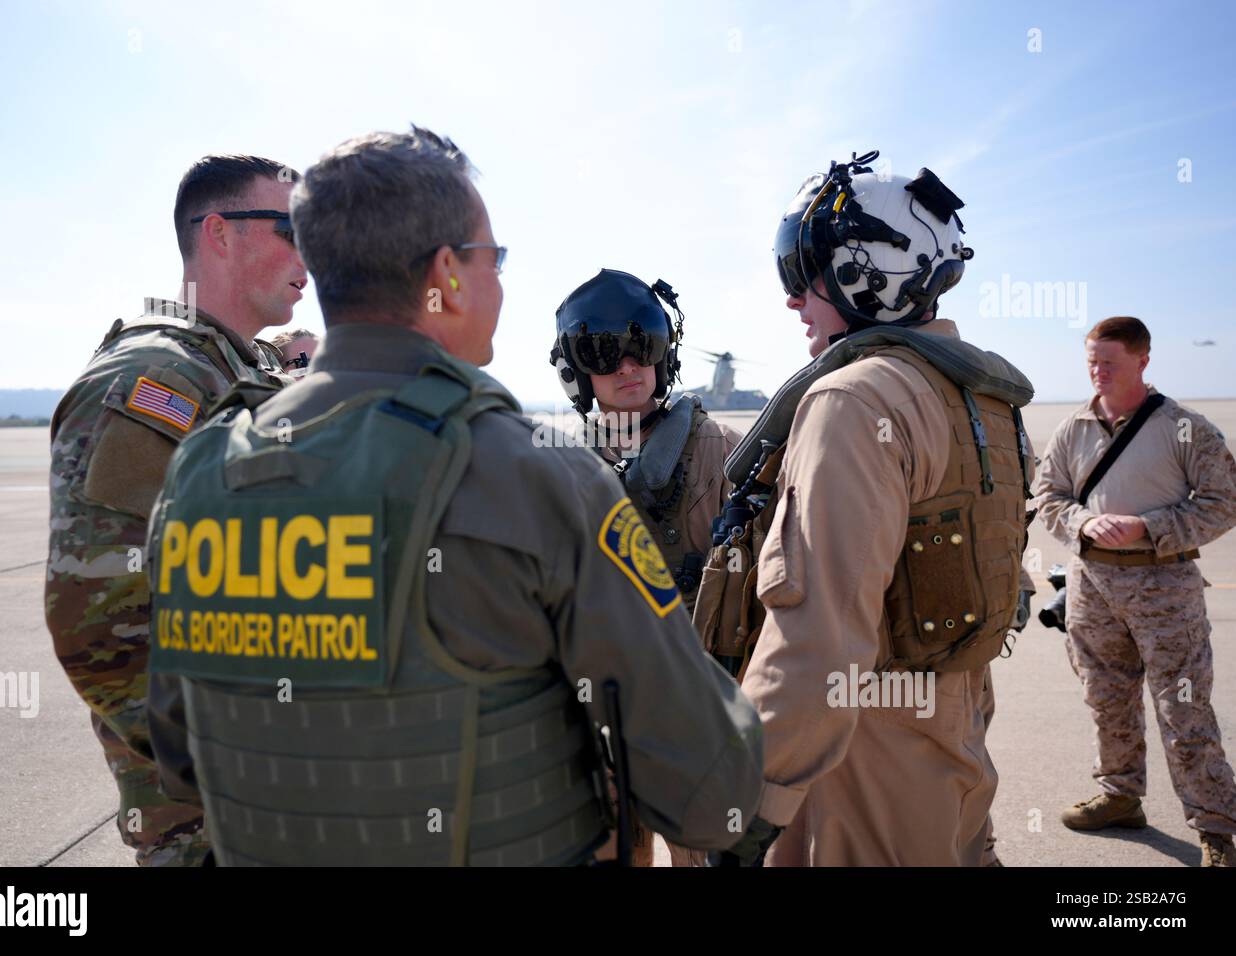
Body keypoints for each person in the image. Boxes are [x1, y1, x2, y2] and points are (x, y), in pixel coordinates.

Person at [143, 127, 764, 866]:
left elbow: (180, 755)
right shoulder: (536, 472)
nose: (497, 281)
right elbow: (708, 791)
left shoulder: (204, 473)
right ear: (447, 273)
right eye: (490, 259)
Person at [722, 151, 1033, 865]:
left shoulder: (854, 400)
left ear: (865, 274)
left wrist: (753, 804)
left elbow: (822, 639)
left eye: (802, 274)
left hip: (861, 757)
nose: (793, 299)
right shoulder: (985, 397)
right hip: (956, 730)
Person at [44, 154, 303, 865]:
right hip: (214, 818)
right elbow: (97, 614)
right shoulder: (155, 380)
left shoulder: (241, 372)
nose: (311, 255)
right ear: (221, 234)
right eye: (293, 228)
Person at [549, 269, 742, 867]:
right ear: (578, 370)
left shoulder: (730, 454)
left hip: (698, 727)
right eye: (606, 353)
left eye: (644, 348)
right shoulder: (559, 466)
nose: (628, 367)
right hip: (596, 727)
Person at [1033, 315, 1236, 867]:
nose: (1097, 373)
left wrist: (1148, 526)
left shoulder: (1183, 427)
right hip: (1090, 583)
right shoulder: (1074, 426)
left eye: (1109, 363)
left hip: (1163, 583)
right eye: (1092, 362)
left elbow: (1224, 502)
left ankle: (1217, 827)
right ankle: (1120, 796)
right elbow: (1047, 495)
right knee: (1106, 697)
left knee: (1183, 707)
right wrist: (1079, 523)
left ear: (1143, 361)